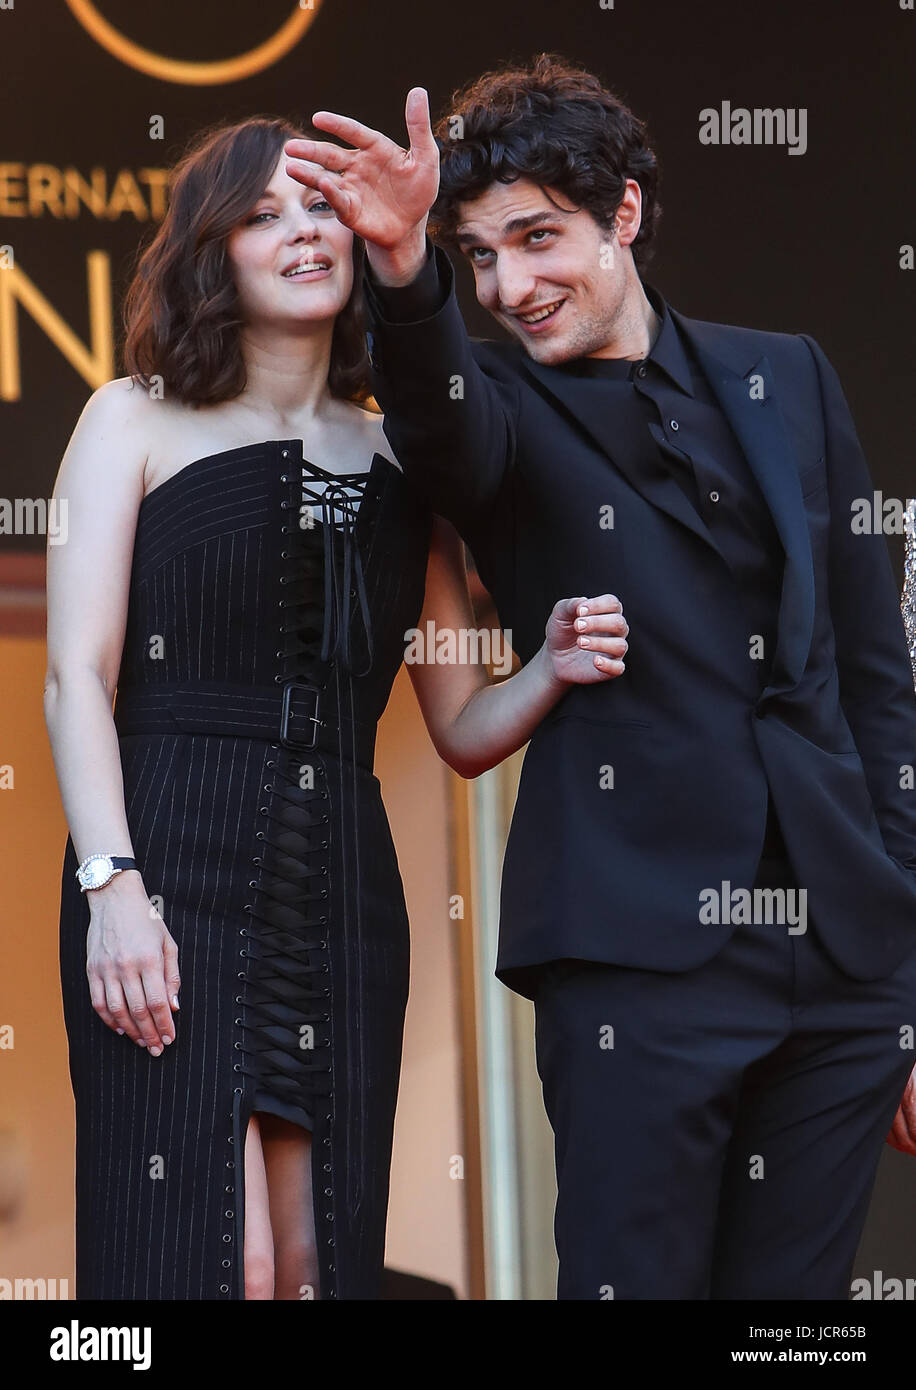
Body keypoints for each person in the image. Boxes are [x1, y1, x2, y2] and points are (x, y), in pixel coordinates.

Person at [284, 53, 916, 1299]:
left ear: (623, 213)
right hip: (635, 958)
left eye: (538, 238)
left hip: (843, 960)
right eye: (479, 255)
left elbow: (877, 681)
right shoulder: (495, 407)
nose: (511, 285)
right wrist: (407, 271)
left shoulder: (784, 373)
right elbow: (439, 424)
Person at [44, 113, 628, 1301]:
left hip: (338, 892)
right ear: (216, 252)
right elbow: (76, 680)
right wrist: (114, 892)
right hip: (163, 874)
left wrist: (551, 663)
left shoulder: (403, 458)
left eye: (318, 206)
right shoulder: (128, 418)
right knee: (215, 1263)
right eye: (262, 215)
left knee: (318, 1267)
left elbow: (460, 728)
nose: (301, 232)